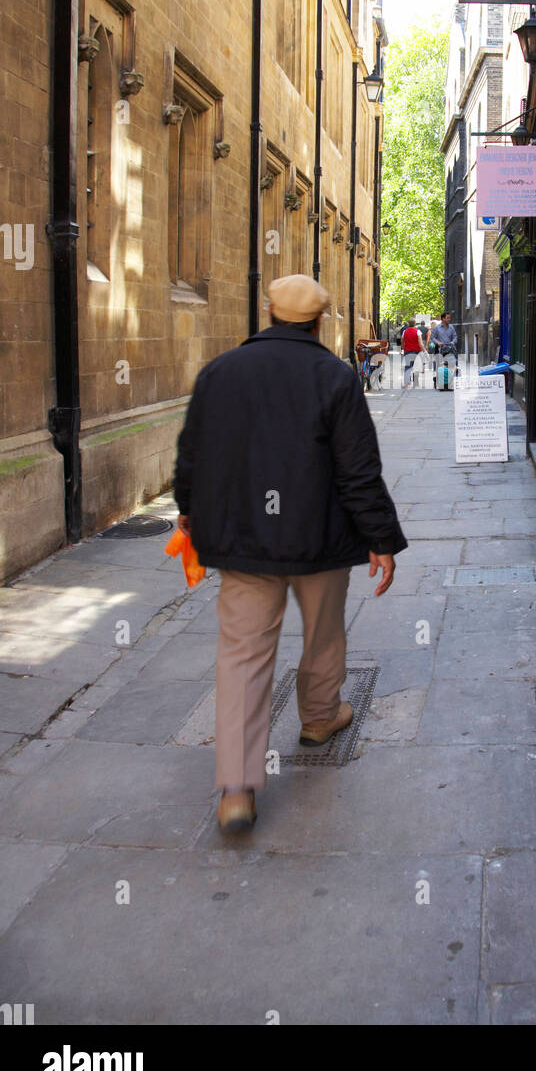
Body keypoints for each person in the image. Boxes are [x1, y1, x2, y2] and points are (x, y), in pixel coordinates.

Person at [173, 274, 408, 832]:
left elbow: (192, 455)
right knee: (324, 633)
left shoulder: (219, 373)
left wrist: (188, 510)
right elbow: (358, 471)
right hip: (318, 539)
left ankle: (236, 786)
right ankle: (321, 717)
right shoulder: (334, 376)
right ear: (318, 320)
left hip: (244, 540)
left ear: (269, 312)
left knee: (242, 655)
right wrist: (381, 539)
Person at [429, 311, 459, 377]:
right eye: (447, 318)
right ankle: (435, 376)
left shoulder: (451, 327)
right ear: (443, 318)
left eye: (449, 318)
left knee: (454, 362)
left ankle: (455, 377)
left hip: (449, 349)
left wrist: (453, 342)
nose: (449, 319)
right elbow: (432, 338)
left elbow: (455, 337)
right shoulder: (436, 328)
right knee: (436, 363)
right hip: (440, 349)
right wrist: (437, 342)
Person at [400, 318, 424, 389]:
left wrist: (403, 349)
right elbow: (420, 342)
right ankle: (415, 383)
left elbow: (402, 341)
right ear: (415, 323)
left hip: (408, 351)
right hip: (417, 351)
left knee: (407, 367)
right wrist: (423, 350)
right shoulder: (418, 331)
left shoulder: (404, 331)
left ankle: (406, 383)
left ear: (409, 323)